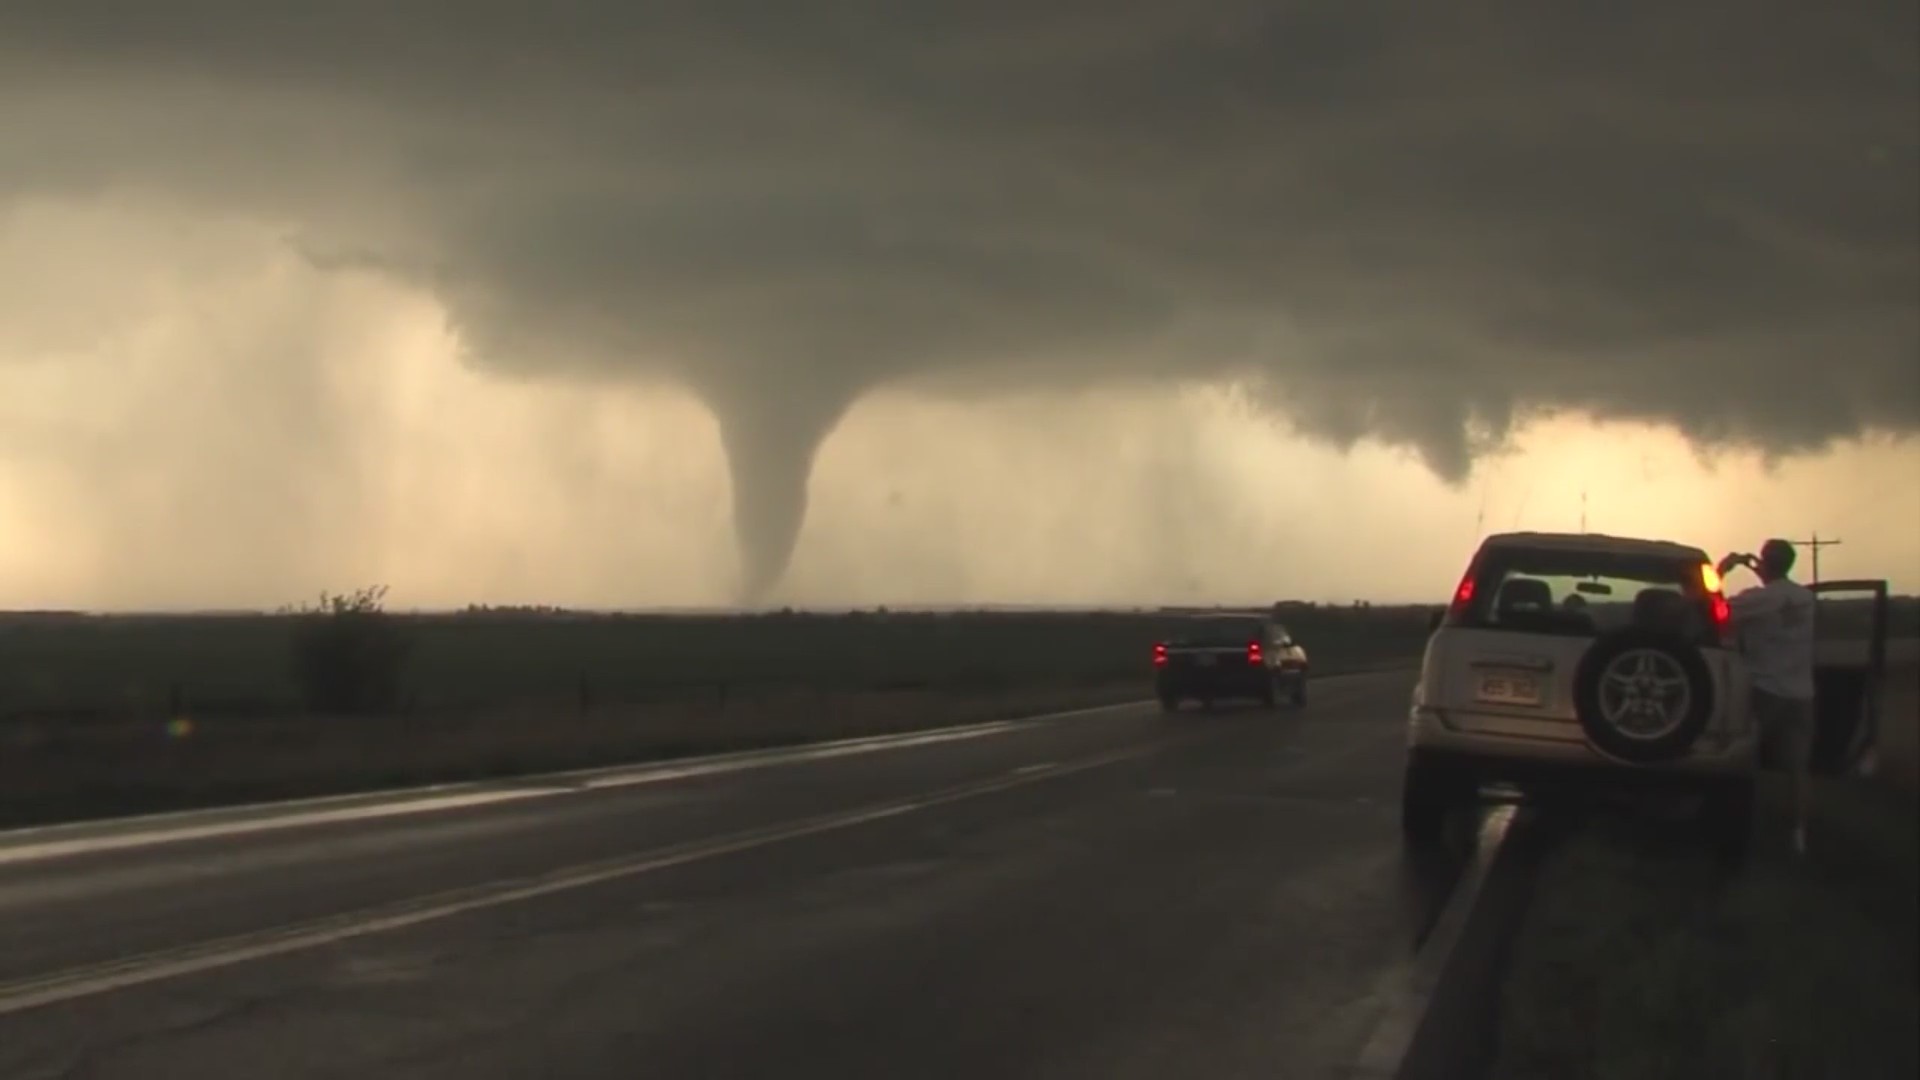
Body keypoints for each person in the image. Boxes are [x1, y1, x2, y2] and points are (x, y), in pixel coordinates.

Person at [1718, 538, 1817, 854]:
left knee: (1745, 760)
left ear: (1765, 562)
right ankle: (1798, 834)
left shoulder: (1757, 599)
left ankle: (1744, 825)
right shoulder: (1805, 598)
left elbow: (1717, 611)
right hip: (1802, 692)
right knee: (1797, 767)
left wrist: (1723, 571)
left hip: (1765, 688)